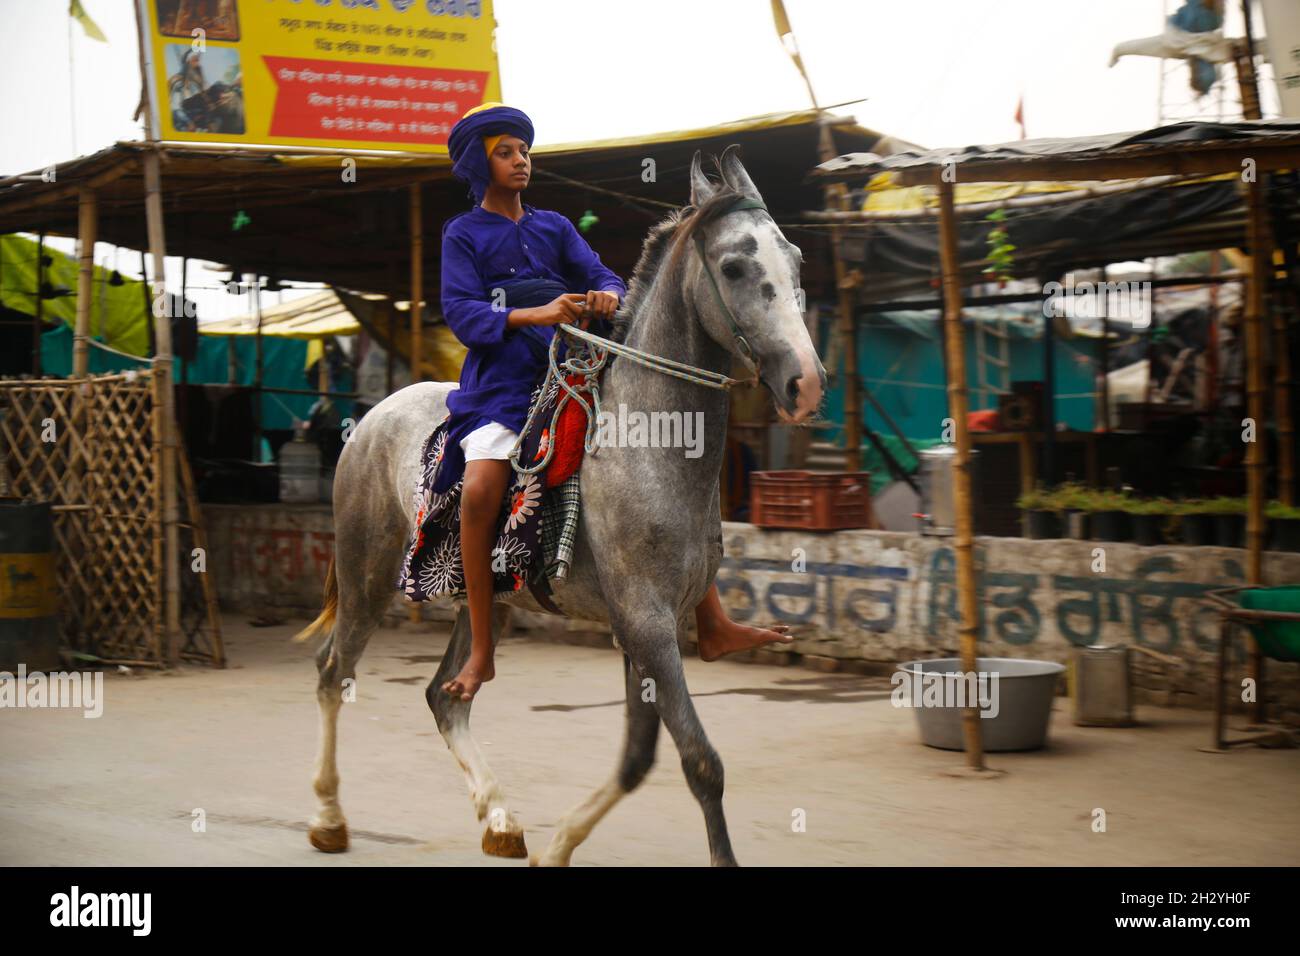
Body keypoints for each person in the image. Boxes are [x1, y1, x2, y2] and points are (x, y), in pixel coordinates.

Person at [436, 103, 792, 702]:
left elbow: (605, 276)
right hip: (502, 383)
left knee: (658, 464)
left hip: (580, 364)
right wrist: (537, 311)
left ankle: (712, 621)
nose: (521, 159)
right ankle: (481, 649)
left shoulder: (552, 226)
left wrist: (602, 296)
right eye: (506, 151)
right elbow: (462, 314)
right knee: (478, 491)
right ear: (481, 162)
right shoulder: (462, 234)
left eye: (524, 150)